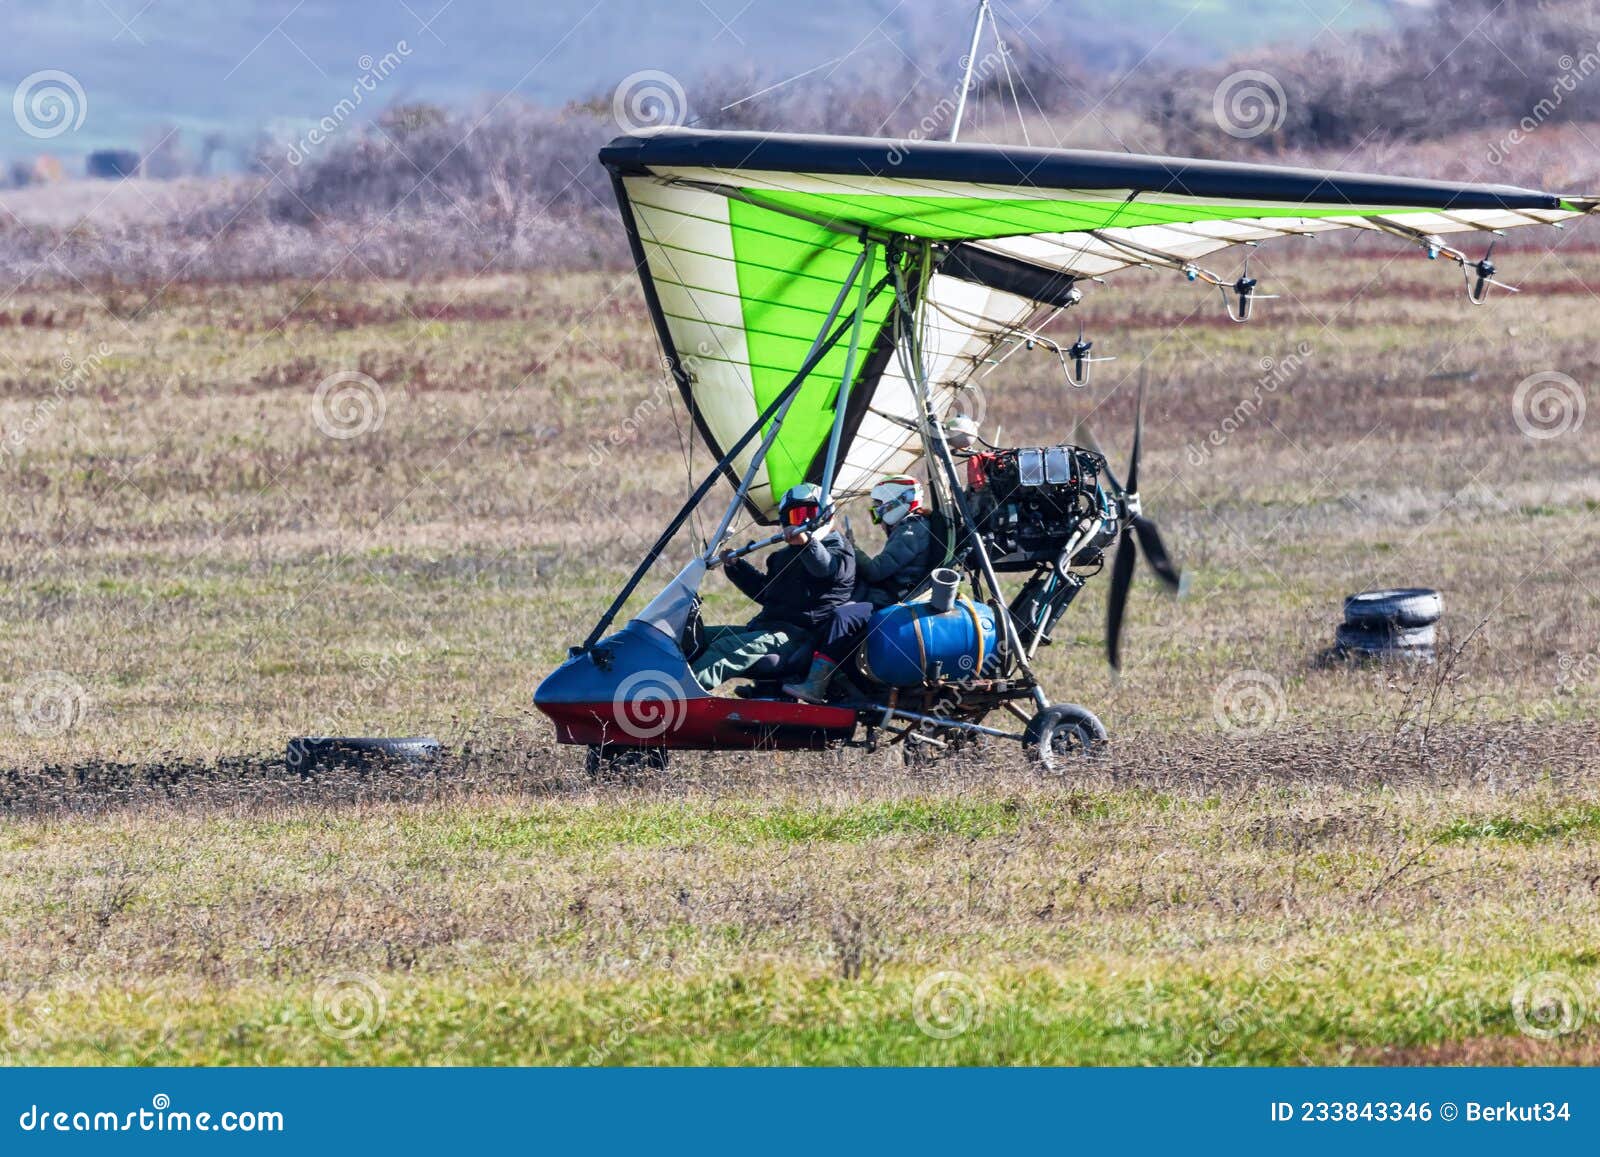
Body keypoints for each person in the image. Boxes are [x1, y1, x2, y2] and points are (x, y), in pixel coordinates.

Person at [782, 476, 941, 703]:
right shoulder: (913, 527)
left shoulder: (912, 531)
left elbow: (876, 571)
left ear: (895, 503)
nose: (878, 517)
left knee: (842, 616)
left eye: (879, 508)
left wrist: (851, 547)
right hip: (887, 594)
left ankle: (816, 685)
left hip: (892, 601)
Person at [690, 483, 856, 692]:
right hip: (765, 629)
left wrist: (807, 544)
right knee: (694, 637)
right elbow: (766, 592)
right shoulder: (784, 555)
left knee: (724, 649)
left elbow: (824, 569)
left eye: (809, 514)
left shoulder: (840, 552)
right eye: (797, 516)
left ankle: (676, 696)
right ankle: (656, 684)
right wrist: (736, 566)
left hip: (796, 639)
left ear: (825, 515)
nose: (803, 521)